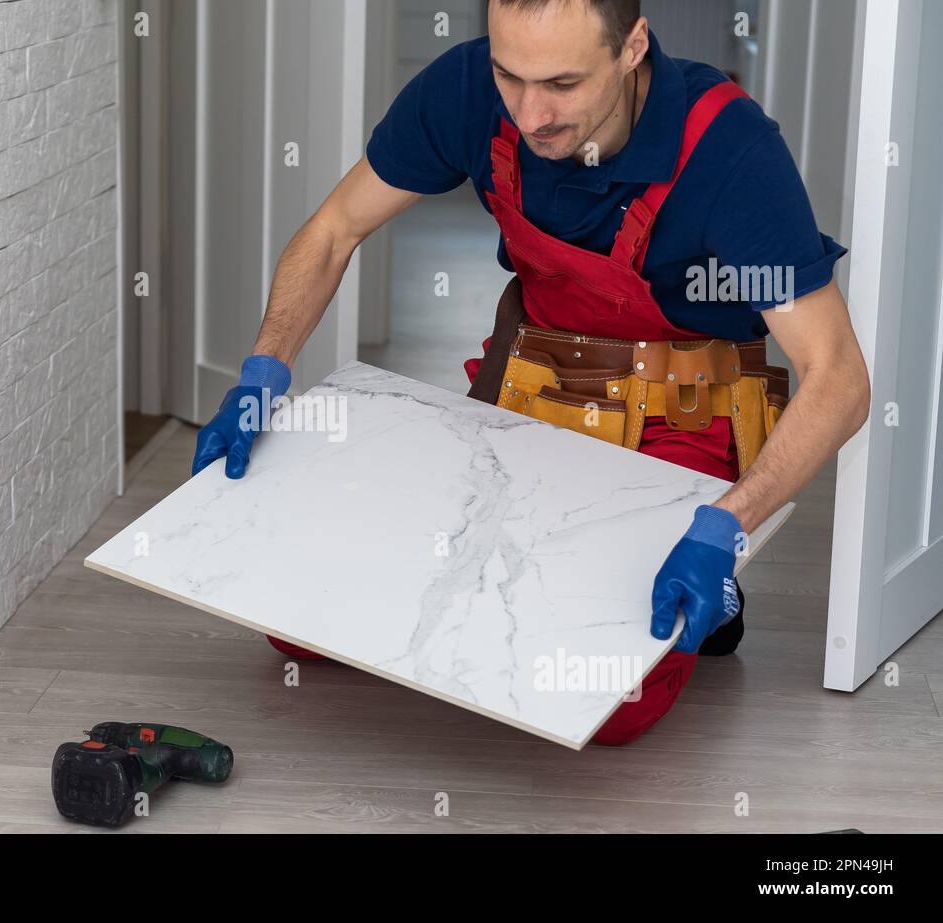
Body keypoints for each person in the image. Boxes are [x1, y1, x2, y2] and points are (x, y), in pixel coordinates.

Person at [191, 0, 870, 744]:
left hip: (681, 415)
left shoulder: (729, 149)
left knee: (610, 702)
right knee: (300, 630)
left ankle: (712, 588)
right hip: (531, 388)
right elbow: (331, 231)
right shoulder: (468, 92)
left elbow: (837, 374)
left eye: (563, 84)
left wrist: (729, 523)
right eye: (510, 76)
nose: (531, 112)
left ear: (632, 46)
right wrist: (263, 369)